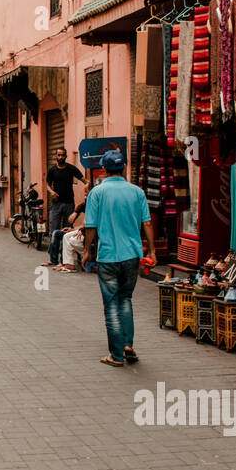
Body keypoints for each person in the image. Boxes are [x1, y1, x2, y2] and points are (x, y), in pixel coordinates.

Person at [84, 149, 156, 367]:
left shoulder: (97, 193)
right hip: (132, 256)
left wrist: (87, 251)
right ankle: (127, 344)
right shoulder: (137, 192)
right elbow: (147, 223)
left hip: (108, 257)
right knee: (125, 299)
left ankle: (115, 356)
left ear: (103, 169)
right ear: (124, 167)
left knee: (111, 305)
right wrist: (151, 251)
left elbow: (91, 226)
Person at [45, 146, 85, 237]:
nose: (60, 157)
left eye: (62, 155)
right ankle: (54, 249)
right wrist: (51, 192)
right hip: (56, 204)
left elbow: (84, 180)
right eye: (59, 155)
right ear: (55, 156)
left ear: (66, 156)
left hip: (69, 203)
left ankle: (64, 250)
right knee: (54, 229)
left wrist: (87, 185)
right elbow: (47, 185)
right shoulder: (52, 170)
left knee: (68, 230)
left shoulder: (71, 168)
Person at [44, 199, 87, 267]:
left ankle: (64, 262)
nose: (85, 197)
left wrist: (81, 230)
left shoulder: (94, 207)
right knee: (56, 233)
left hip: (86, 232)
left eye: (87, 194)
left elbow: (86, 225)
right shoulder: (85, 206)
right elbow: (70, 220)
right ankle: (53, 260)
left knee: (67, 236)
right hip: (81, 230)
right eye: (85, 194)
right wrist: (77, 210)